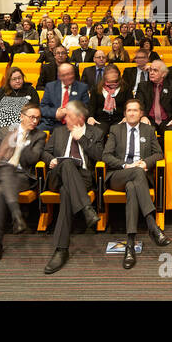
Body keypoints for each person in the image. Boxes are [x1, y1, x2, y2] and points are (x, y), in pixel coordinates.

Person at [36, 100, 105, 274]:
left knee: (66, 193)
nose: (65, 118)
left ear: (80, 117)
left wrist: (81, 138)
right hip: (56, 175)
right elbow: (44, 151)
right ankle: (87, 209)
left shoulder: (95, 132)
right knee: (66, 164)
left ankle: (61, 250)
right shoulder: (58, 132)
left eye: (69, 115)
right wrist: (49, 159)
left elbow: (99, 156)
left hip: (82, 177)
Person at [101, 97, 170, 269]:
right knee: (136, 173)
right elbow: (106, 156)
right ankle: (152, 225)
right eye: (129, 110)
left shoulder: (148, 129)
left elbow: (159, 154)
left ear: (141, 113)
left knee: (132, 187)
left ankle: (130, 245)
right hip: (118, 175)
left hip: (138, 177)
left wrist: (145, 163)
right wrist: (126, 165)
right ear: (125, 114)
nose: (132, 113)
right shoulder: (116, 129)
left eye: (135, 110)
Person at [0, 103, 47, 266]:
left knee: (0, 191)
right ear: (21, 116)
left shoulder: (39, 136)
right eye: (32, 117)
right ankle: (16, 215)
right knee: (5, 172)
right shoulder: (5, 131)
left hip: (21, 177)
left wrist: (21, 140)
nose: (35, 121)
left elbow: (33, 159)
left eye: (38, 118)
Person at [135, 60, 172, 137]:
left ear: (163, 74)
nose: (151, 72)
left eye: (155, 70)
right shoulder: (142, 86)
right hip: (149, 119)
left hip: (167, 120)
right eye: (150, 70)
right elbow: (139, 104)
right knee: (144, 131)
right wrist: (143, 116)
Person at [38, 63, 89, 131]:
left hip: (74, 122)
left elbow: (85, 108)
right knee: (35, 133)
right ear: (59, 76)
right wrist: (56, 113)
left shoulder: (82, 87)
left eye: (70, 74)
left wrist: (68, 112)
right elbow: (43, 107)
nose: (68, 77)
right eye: (64, 75)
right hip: (52, 122)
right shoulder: (50, 87)